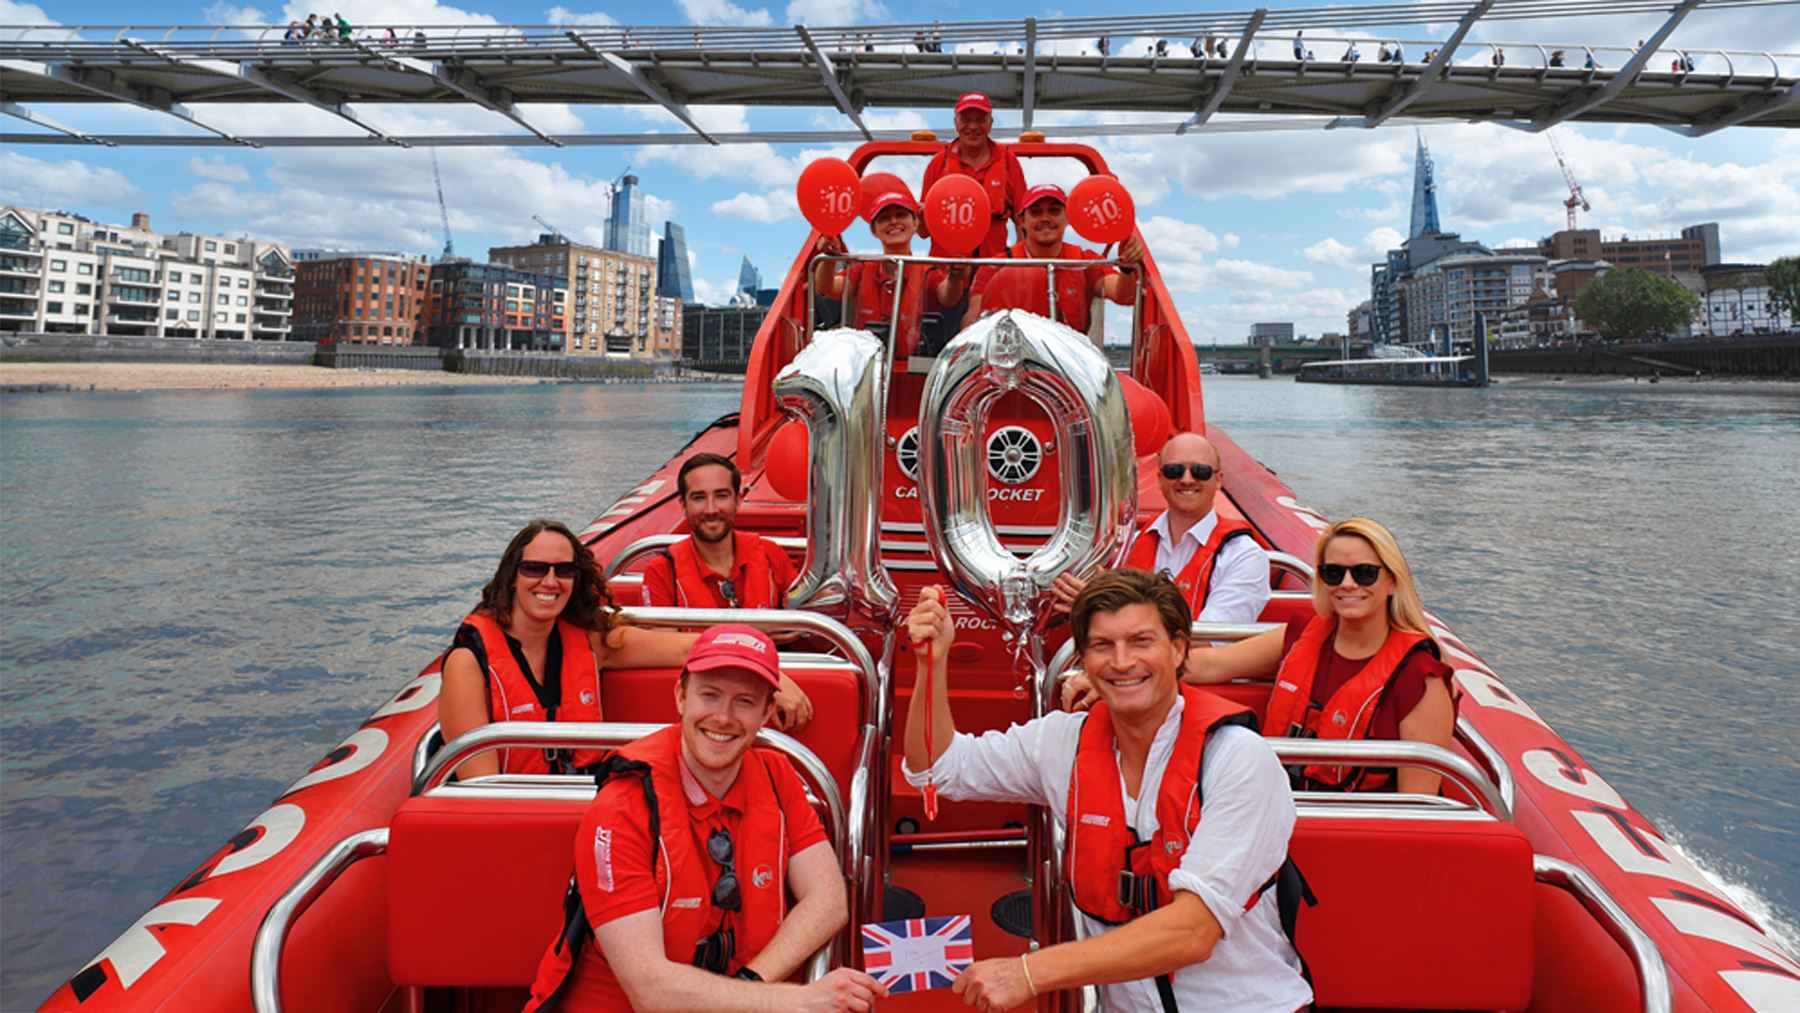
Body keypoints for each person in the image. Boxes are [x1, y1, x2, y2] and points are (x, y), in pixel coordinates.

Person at [904, 571, 1311, 1011]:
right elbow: (936, 769)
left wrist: (1029, 972)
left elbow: (1193, 931)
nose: (1121, 662)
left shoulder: (1237, 759)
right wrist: (932, 664)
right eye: (1102, 646)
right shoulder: (1063, 742)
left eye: (1141, 642)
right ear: (1083, 658)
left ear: (1178, 650)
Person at [524, 625, 887, 1012]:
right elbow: (650, 989)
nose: (723, 717)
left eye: (744, 702)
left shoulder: (778, 778)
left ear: (767, 712)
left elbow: (829, 900)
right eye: (709, 695)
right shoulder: (621, 810)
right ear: (681, 697)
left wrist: (753, 982)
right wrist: (794, 1000)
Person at [1166, 517, 1456, 795]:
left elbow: (1417, 805)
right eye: (1333, 573)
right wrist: (1138, 665)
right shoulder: (1300, 637)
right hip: (1273, 807)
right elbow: (1210, 665)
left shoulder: (1420, 678)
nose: (1348, 584)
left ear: (1392, 581)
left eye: (1364, 572)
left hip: (1353, 830)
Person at [437, 519, 700, 780]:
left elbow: (682, 650)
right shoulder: (469, 663)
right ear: (512, 577)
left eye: (564, 570)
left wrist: (737, 642)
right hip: (513, 808)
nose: (551, 582)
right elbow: (481, 788)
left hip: (588, 799)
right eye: (535, 568)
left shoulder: (593, 641)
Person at [1051, 432, 1270, 625]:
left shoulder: (1244, 556)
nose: (1186, 479)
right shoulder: (1129, 545)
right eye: (1174, 470)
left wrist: (1100, 607)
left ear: (1219, 480)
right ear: (1160, 478)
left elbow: (1210, 640)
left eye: (1200, 471)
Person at [965, 183, 1144, 336]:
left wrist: (1127, 268)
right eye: (1036, 212)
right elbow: (970, 323)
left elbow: (1123, 296)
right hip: (1011, 361)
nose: (1045, 219)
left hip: (1069, 363)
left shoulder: (1085, 261)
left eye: (1054, 211)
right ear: (1021, 221)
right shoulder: (995, 266)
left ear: (1068, 217)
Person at [641, 453, 801, 617]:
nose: (711, 510)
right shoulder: (661, 572)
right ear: (683, 506)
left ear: (737, 501)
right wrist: (751, 631)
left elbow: (810, 630)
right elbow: (661, 639)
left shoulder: (771, 555)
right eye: (699, 498)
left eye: (721, 496)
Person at [811, 190, 965, 358]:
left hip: (913, 370)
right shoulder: (862, 268)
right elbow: (828, 286)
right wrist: (829, 258)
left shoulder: (928, 270)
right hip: (867, 368)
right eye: (884, 218)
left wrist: (955, 277)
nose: (893, 221)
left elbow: (948, 297)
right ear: (874, 231)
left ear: (915, 224)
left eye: (900, 215)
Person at [920, 92, 1028, 263]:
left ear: (991, 123)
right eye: (966, 120)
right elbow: (922, 230)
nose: (972, 126)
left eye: (980, 120)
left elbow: (1023, 221)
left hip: (993, 269)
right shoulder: (938, 163)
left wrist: (1023, 267)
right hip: (945, 270)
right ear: (956, 123)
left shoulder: (1009, 162)